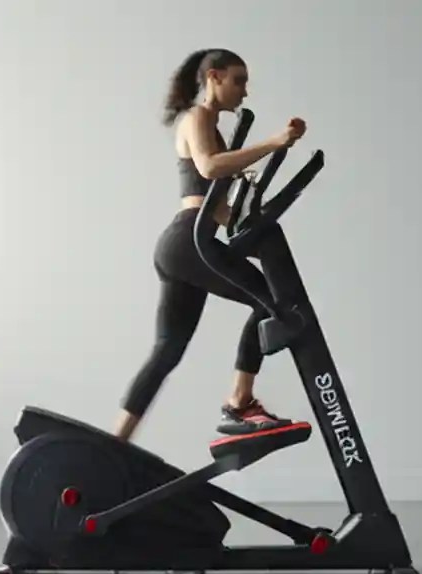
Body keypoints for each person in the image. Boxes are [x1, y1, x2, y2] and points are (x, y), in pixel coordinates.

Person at [112, 48, 307, 442]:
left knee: (167, 350)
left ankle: (115, 442)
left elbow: (220, 211)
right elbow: (209, 167)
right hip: (188, 241)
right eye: (239, 80)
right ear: (214, 77)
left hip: (185, 242)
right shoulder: (198, 117)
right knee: (270, 299)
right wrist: (273, 143)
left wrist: (252, 216)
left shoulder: (213, 129)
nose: (245, 91)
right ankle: (239, 403)